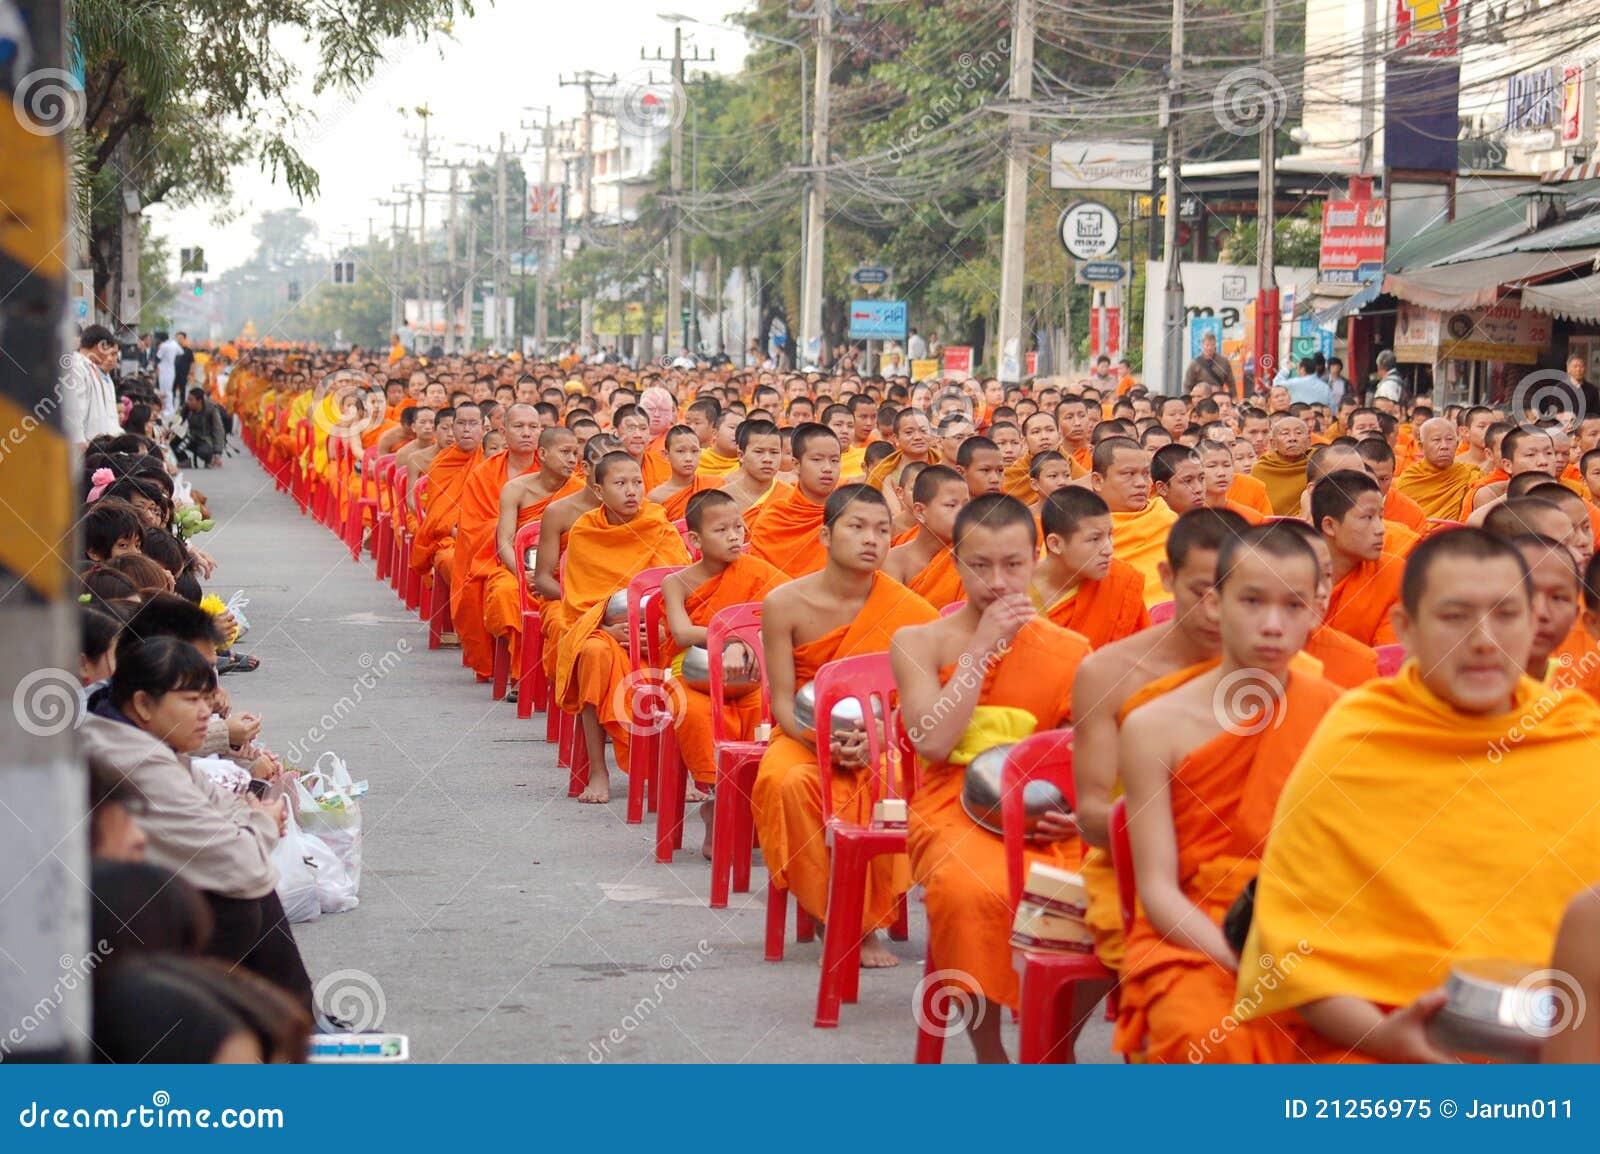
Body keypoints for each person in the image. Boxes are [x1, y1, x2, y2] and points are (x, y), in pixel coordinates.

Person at [1237, 529, 1600, 1062]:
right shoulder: (1358, 743)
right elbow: (1293, 956)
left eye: (1505, 615)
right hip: (1385, 1043)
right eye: (1455, 616)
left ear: (1535, 625)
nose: (1483, 639)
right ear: (1406, 627)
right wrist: (1394, 1042)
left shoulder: (1577, 736)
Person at [1114, 524, 1341, 1062]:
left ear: (1315, 611)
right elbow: (1160, 891)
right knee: (1211, 1040)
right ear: (1215, 603)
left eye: (1293, 606)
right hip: (1199, 942)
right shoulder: (1153, 726)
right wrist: (1249, 964)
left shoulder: (1340, 716)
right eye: (1252, 601)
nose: (1272, 624)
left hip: (1311, 934)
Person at [892, 494, 1092, 1062]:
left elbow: (1094, 756)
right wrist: (979, 653)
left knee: (1114, 900)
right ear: (955, 562)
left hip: (1049, 813)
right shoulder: (919, 642)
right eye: (980, 566)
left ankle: (1054, 1048)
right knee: (966, 892)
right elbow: (932, 741)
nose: (998, 582)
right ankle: (990, 1051)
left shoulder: (1070, 650)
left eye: (1012, 565)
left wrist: (1077, 814)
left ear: (1036, 561)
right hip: (953, 806)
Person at [753, 485, 937, 968]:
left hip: (883, 738)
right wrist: (822, 741)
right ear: (825, 534)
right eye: (856, 527)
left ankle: (860, 921)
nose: (871, 539)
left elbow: (921, 706)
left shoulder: (913, 614)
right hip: (804, 733)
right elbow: (783, 700)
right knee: (788, 782)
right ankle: (840, 919)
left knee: (887, 784)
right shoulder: (784, 603)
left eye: (882, 529)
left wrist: (877, 738)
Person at [82, 637, 314, 1012]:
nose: (206, 713)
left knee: (248, 893)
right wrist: (263, 823)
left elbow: (219, 806)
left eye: (208, 700)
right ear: (142, 703)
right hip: (103, 928)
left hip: (129, 902)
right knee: (240, 901)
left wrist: (253, 819)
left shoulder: (143, 741)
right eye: (191, 701)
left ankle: (295, 1020)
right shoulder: (137, 760)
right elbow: (242, 864)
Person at [1071, 509, 1245, 972]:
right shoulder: (1109, 673)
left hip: (1251, 872)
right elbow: (1090, 815)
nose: (1214, 610)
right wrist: (1166, 844)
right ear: (1166, 577)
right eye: (1200, 590)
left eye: (1231, 592)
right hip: (1133, 867)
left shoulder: (1280, 673)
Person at [552, 451, 691, 804]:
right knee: (592, 654)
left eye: (637, 482)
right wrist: (605, 631)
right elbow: (581, 603)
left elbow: (684, 591)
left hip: (660, 633)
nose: (632, 491)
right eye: (620, 484)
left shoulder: (659, 526)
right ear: (598, 490)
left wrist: (665, 632)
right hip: (607, 632)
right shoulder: (585, 532)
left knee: (688, 660)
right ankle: (598, 771)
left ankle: (682, 771)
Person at [660, 490, 787, 852]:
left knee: (764, 716)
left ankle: (747, 805)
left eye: (739, 527)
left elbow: (781, 618)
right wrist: (734, 635)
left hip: (749, 677)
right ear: (696, 540)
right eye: (722, 530)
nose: (735, 536)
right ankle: (717, 802)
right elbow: (683, 633)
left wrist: (744, 642)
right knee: (696, 713)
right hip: (694, 674)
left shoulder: (759, 572)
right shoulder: (677, 582)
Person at [485, 426, 582, 692]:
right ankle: (522, 674)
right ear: (543, 453)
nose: (572, 459)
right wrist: (520, 573)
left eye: (575, 453)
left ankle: (551, 675)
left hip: (562, 572)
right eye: (565, 452)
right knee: (505, 593)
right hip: (517, 567)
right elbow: (504, 540)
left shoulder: (581, 493)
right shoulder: (515, 489)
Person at [451, 404, 542, 681]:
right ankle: (521, 673)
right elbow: (473, 529)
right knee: (505, 594)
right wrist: (514, 537)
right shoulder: (484, 474)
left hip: (548, 564)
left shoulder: (558, 475)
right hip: (497, 563)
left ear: (541, 431)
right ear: (503, 432)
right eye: (518, 427)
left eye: (532, 427)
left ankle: (546, 673)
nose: (526, 433)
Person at [1033, 488, 1149, 647]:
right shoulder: (1014, 589)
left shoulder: (1121, 583)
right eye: (1095, 539)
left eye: (1109, 535)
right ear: (1056, 544)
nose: (1109, 550)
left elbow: (1139, 655)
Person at [746, 423, 841, 577]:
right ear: (796, 465)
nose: (828, 468)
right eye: (817, 460)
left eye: (835, 460)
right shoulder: (774, 519)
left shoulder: (848, 514)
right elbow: (758, 578)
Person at [1093, 436, 1178, 608]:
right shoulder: (1075, 530)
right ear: (1097, 480)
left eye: (1146, 474)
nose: (1141, 484)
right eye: (1128, 474)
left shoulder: (1166, 519)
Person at [883, 464, 968, 608]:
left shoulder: (972, 558)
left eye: (966, 506)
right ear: (920, 511)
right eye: (951, 505)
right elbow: (891, 620)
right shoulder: (894, 561)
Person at [1394, 415, 1477, 521]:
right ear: (1421, 447)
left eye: (1449, 439)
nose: (1444, 446)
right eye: (1436, 440)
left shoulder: (1470, 475)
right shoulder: (1409, 480)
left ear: (1457, 444)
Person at [62, 324, 123, 449]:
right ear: (101, 346)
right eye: (108, 350)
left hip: (98, 442)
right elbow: (74, 408)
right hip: (84, 444)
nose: (109, 357)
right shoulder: (76, 366)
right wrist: (79, 440)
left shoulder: (93, 368)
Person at [720, 419, 787, 523]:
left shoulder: (792, 497)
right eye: (758, 452)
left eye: (774, 452)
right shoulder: (723, 498)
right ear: (741, 455)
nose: (767, 459)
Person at [1251, 411, 1312, 514]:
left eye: (1298, 433)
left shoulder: (1319, 462)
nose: (1292, 438)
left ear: (1309, 441)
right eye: (1285, 433)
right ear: (1273, 443)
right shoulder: (1261, 468)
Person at [649, 424, 708, 521]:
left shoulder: (713, 486)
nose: (689, 458)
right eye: (681, 451)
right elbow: (655, 532)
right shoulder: (656, 497)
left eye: (694, 451)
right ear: (666, 455)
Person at [179, 387, 228, 467]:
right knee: (174, 441)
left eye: (191, 400)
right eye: (188, 399)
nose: (189, 402)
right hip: (191, 437)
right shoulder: (187, 407)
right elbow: (178, 420)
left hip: (206, 440)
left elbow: (218, 430)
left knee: (204, 452)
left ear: (199, 401)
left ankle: (209, 459)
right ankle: (184, 460)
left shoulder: (211, 409)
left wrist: (217, 453)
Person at [1183, 329, 1234, 395]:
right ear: (1203, 345)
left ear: (1215, 345)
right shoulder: (1194, 364)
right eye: (1207, 345)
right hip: (1200, 397)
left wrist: (1234, 397)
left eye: (1212, 345)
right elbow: (1187, 385)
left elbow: (1231, 383)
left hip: (1217, 396)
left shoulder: (1224, 362)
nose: (1209, 348)